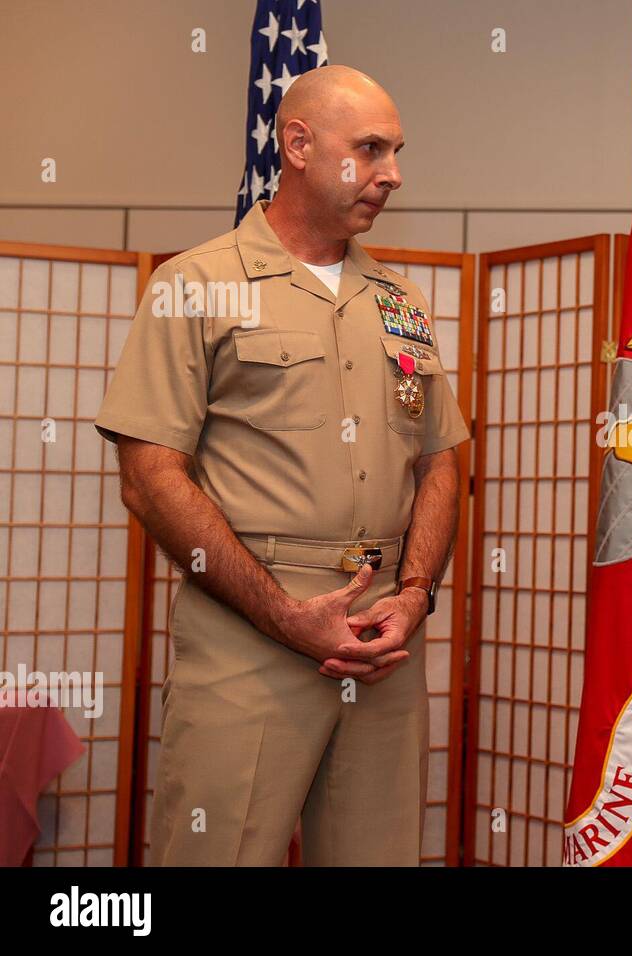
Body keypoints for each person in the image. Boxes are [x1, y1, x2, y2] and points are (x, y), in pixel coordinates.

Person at [95, 66, 469, 865]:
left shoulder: (400, 303)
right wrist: (282, 616)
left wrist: (415, 595)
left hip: (383, 646)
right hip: (246, 643)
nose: (393, 173)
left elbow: (441, 460)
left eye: (396, 151)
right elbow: (151, 475)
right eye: (370, 149)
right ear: (298, 144)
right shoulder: (195, 286)